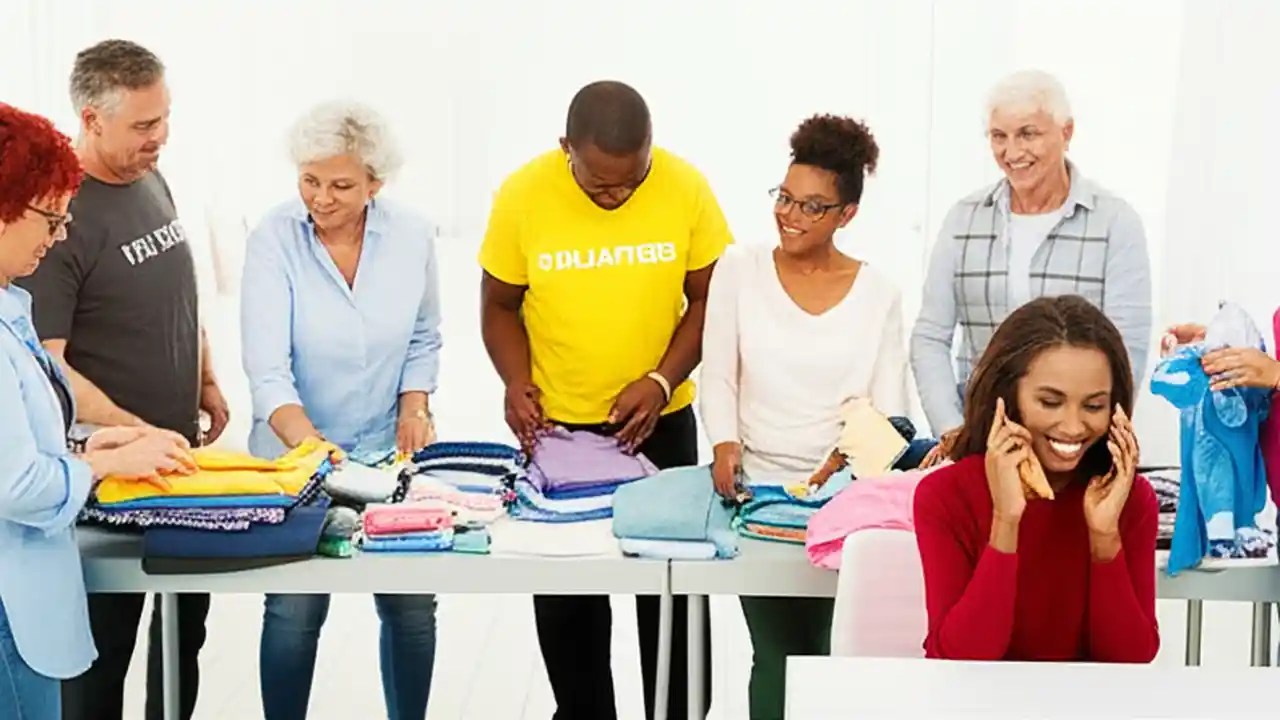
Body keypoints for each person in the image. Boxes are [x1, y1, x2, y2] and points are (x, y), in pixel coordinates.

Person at [478, 80, 731, 720]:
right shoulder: (523, 194)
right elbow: (499, 304)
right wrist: (514, 381)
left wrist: (662, 380)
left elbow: (712, 299)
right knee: (569, 607)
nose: (617, 195)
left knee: (671, 600)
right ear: (566, 149)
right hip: (558, 434)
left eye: (633, 180)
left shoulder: (686, 186)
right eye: (601, 185)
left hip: (660, 426)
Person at [14, 40, 227, 720]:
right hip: (113, 478)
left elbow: (176, 290)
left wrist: (206, 377)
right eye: (142, 125)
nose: (158, 137)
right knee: (103, 661)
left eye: (163, 118)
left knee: (182, 638)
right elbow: (51, 370)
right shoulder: (50, 220)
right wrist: (130, 437)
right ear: (91, 118)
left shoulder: (149, 178)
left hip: (171, 460)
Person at [699, 114, 907, 719]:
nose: (790, 215)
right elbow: (718, 373)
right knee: (776, 654)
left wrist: (837, 473)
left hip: (845, 503)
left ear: (847, 215)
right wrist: (724, 444)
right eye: (784, 197)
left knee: (834, 653)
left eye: (812, 206)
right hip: (757, 497)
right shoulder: (739, 268)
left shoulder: (878, 292)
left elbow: (890, 414)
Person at [240, 100, 442, 720]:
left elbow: (424, 335)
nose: (320, 198)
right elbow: (268, 371)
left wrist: (416, 404)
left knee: (410, 603)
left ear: (375, 183)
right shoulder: (274, 238)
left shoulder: (411, 235)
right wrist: (313, 448)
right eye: (309, 180)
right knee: (295, 606)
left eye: (340, 185)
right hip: (294, 453)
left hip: (388, 449)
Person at [911, 69, 1152, 461]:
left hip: (1074, 443)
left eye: (1027, 134)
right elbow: (929, 337)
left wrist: (1094, 436)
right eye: (998, 136)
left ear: (1066, 132)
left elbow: (1128, 349)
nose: (1011, 152)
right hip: (983, 442)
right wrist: (953, 430)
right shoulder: (963, 218)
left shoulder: (1115, 222)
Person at [913, 295, 1160, 663]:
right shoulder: (944, 496)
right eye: (1050, 402)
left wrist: (1105, 536)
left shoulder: (1131, 499)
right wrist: (1006, 522)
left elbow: (1130, 660)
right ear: (1007, 397)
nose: (1074, 426)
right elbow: (960, 659)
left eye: (1094, 406)